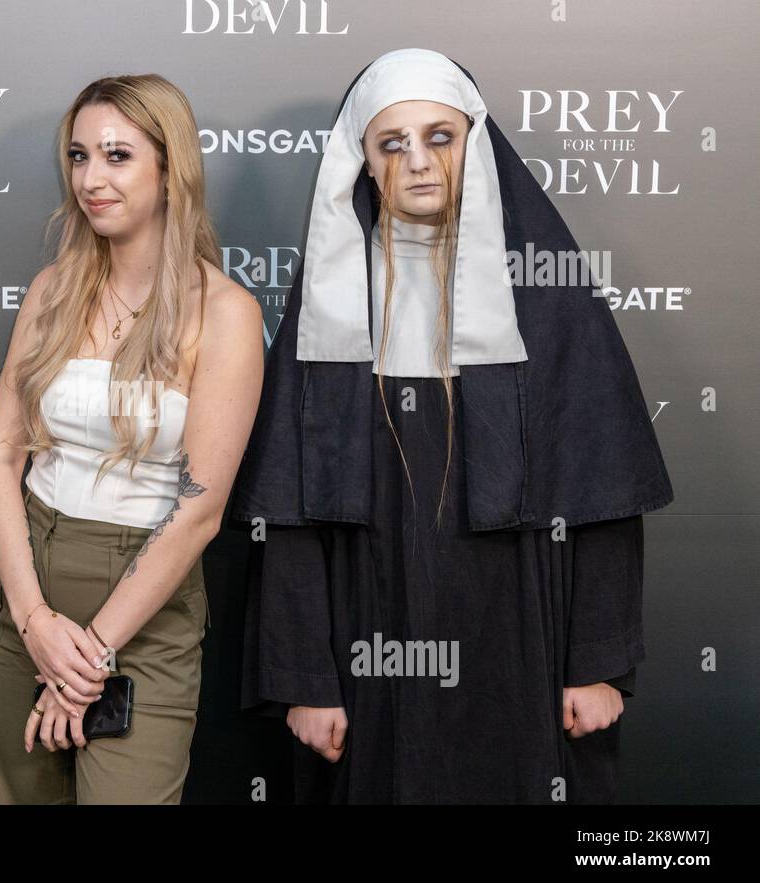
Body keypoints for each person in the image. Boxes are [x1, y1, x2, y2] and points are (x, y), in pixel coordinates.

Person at [231, 49, 674, 804]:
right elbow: (292, 522)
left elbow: (603, 500)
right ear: (364, 165)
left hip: (524, 637)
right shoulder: (331, 309)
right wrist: (304, 680)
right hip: (367, 635)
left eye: (440, 136)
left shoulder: (548, 294)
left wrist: (597, 665)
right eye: (391, 144)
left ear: (476, 141)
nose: (418, 162)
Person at [0, 75, 264, 804]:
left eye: (117, 156)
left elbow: (199, 512)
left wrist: (90, 658)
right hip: (25, 584)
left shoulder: (225, 313)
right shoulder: (52, 290)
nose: (91, 180)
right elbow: (1, 456)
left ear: (171, 169)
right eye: (78, 157)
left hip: (147, 608)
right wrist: (34, 621)